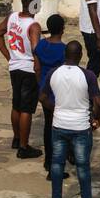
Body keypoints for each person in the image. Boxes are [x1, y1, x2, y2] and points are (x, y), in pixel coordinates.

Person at [40, 41, 100, 198]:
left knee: (57, 163)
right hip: (81, 126)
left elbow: (43, 97)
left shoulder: (53, 73)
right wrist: (96, 118)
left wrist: (56, 109)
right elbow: (99, 101)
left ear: (65, 55)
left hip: (59, 124)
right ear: (80, 55)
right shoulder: (88, 75)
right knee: (82, 165)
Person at [0, 0, 43, 159]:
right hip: (28, 69)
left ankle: (16, 138)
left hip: (15, 67)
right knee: (27, 109)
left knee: (16, 104)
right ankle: (24, 146)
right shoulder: (34, 26)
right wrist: (39, 73)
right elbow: (36, 50)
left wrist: (9, 56)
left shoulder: (12, 17)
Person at [34, 14, 69, 180]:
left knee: (48, 126)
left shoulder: (41, 45)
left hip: (44, 91)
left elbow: (37, 68)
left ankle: (48, 161)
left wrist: (40, 86)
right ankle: (57, 165)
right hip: (59, 93)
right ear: (62, 29)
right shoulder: (64, 50)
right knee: (60, 130)